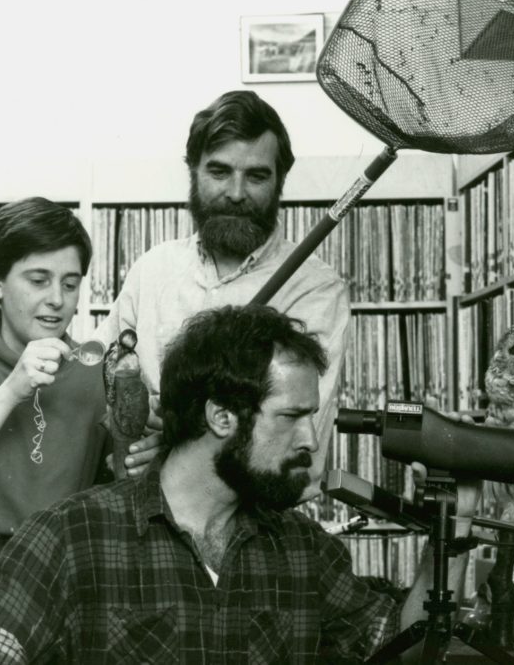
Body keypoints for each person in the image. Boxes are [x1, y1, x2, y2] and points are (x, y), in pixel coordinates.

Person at [0, 305, 478, 663]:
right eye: (290, 416)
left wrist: (456, 529)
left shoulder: (304, 551)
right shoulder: (71, 536)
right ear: (222, 417)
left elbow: (405, 650)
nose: (312, 442)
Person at [92, 90, 350, 500]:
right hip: (142, 511)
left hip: (251, 526)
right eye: (219, 171)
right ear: (193, 172)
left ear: (279, 181)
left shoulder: (315, 289)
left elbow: (297, 450)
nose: (235, 192)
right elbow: (98, 392)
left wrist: (180, 450)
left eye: (256, 176)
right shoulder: (152, 271)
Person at [0, 197, 157, 618]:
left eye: (69, 283)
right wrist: (11, 391)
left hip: (63, 565)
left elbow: (124, 491)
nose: (58, 300)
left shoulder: (99, 369)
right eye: (38, 280)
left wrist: (147, 455)